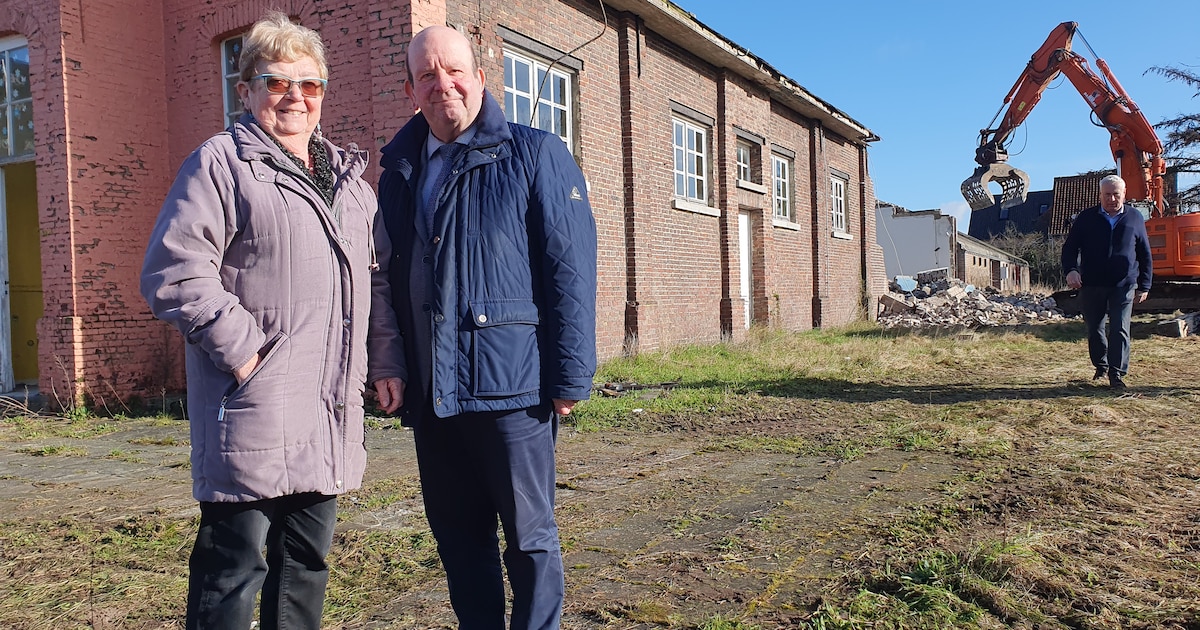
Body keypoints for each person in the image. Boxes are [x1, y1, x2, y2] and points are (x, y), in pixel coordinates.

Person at [140, 12, 393, 629]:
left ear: (323, 95)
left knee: (305, 567)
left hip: (327, 407)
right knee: (234, 570)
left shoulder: (353, 187)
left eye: (309, 85)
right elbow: (175, 270)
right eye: (277, 82)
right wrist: (250, 355)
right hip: (252, 406)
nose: (295, 97)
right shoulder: (220, 165)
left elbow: (376, 282)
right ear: (246, 90)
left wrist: (385, 361)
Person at [368, 25, 598, 630]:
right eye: (426, 74)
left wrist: (570, 374)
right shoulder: (398, 172)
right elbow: (385, 278)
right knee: (460, 544)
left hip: (513, 393)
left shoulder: (535, 153)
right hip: (433, 396)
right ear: (411, 89)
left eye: (454, 69)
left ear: (479, 74)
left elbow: (569, 269)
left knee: (529, 539)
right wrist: (390, 366)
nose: (442, 83)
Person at [1061, 174, 1152, 389]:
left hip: (1124, 283)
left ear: (1124, 194)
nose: (1111, 199)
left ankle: (1117, 374)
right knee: (1095, 328)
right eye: (1107, 195)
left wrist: (1145, 285)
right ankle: (1101, 366)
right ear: (1100, 195)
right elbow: (1070, 248)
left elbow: (1144, 253)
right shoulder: (1086, 218)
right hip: (1092, 283)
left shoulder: (1135, 218)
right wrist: (1071, 270)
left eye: (1116, 194)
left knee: (1120, 327)